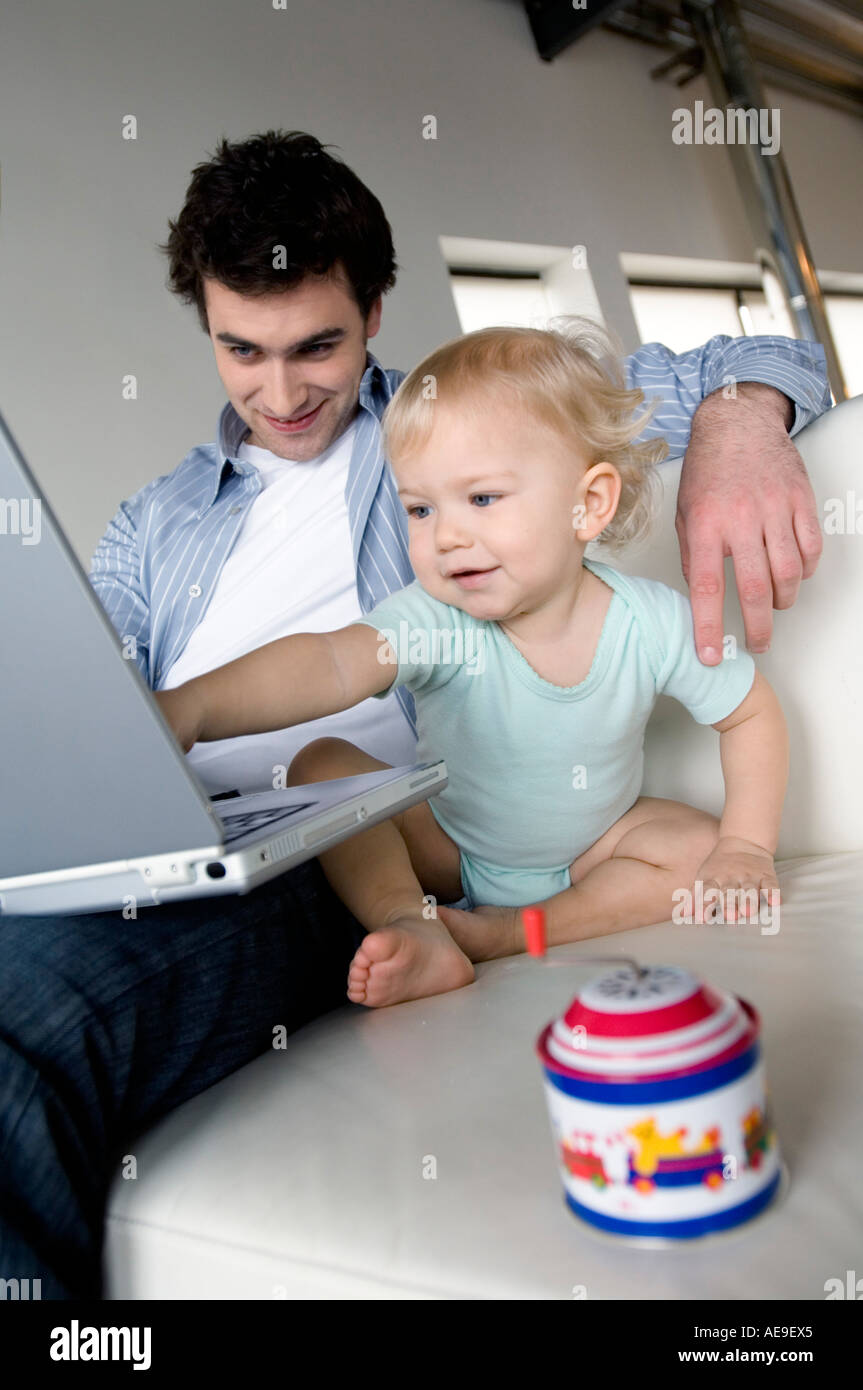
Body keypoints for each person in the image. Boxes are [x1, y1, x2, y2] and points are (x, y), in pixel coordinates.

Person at [0, 128, 830, 1299]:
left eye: (316, 347)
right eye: (241, 349)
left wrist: (742, 422)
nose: (280, 391)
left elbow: (769, 348)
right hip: (200, 825)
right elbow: (97, 709)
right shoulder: (151, 525)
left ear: (375, 311)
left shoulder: (464, 425)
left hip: (330, 846)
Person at [154, 318, 788, 1009]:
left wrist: (747, 848)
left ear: (587, 504)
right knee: (321, 765)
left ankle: (511, 933)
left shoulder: (647, 620)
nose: (448, 537)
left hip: (593, 847)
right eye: (420, 509)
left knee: (696, 845)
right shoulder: (437, 620)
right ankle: (412, 922)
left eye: (482, 499)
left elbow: (749, 713)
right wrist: (195, 706)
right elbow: (329, 663)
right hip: (448, 848)